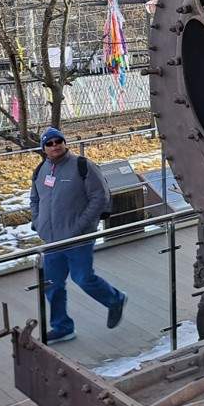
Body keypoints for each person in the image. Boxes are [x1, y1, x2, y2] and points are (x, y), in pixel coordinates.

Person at [30, 126, 127, 343]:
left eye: (58, 141)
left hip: (78, 238)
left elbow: (99, 197)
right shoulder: (40, 170)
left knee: (83, 278)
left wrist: (81, 226)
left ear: (64, 143)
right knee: (52, 283)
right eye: (50, 143)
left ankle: (115, 299)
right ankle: (62, 327)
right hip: (52, 240)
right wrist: (38, 222)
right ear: (44, 148)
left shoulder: (82, 166)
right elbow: (35, 199)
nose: (55, 146)